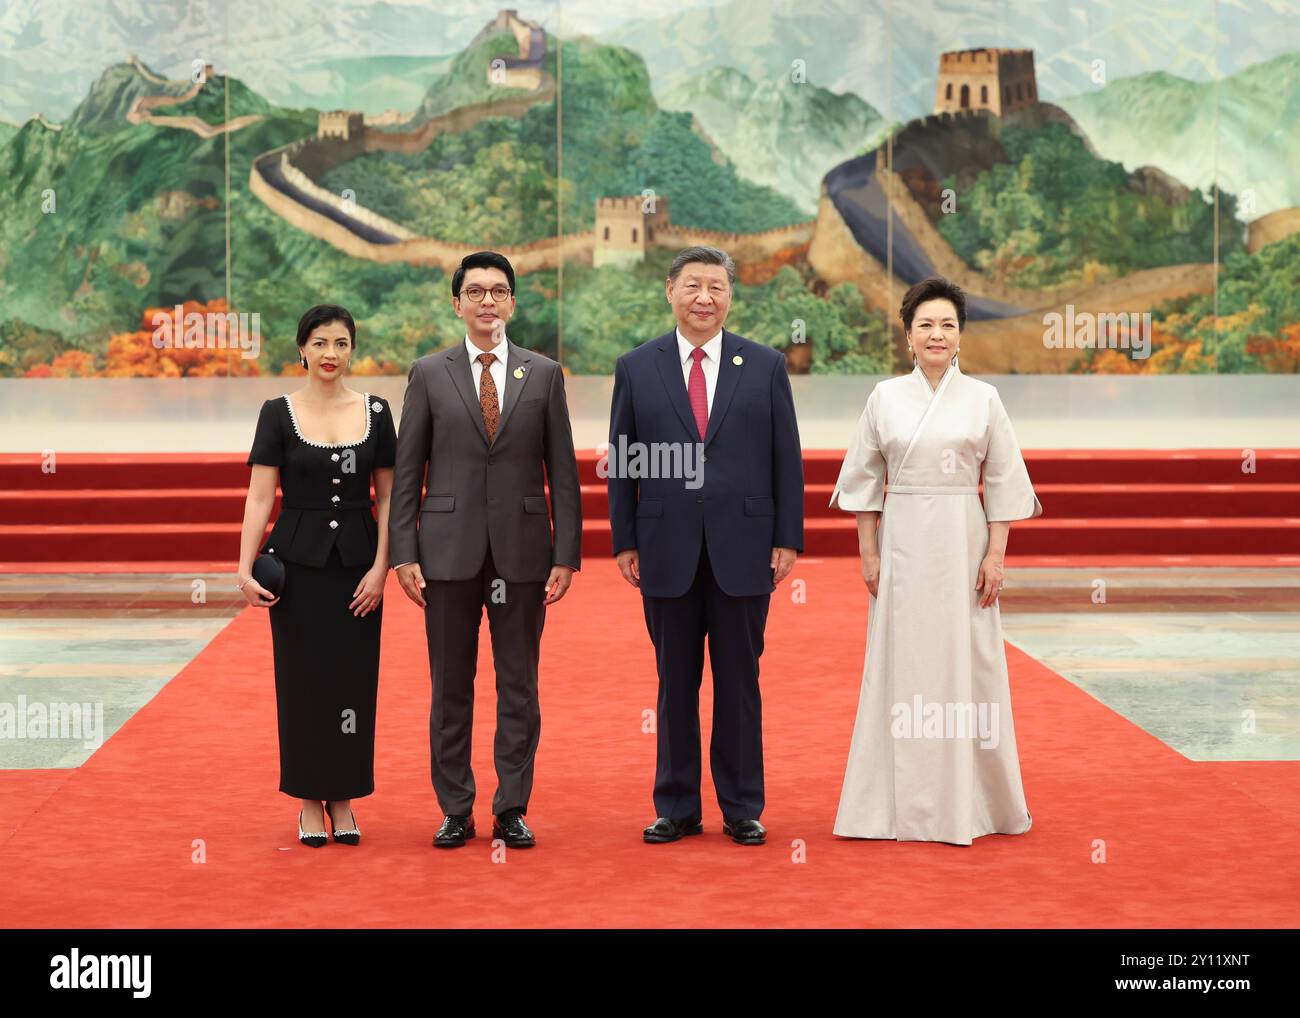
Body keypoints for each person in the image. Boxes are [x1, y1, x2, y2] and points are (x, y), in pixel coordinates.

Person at [830, 276, 1042, 845]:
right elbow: (864, 481)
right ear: (907, 335)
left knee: (968, 664)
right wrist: (868, 552)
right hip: (902, 541)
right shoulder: (885, 397)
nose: (937, 334)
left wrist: (995, 556)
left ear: (960, 336)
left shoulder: (983, 399)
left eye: (947, 324)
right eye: (925, 324)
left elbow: (1001, 481)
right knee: (900, 659)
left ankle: (976, 806)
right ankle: (887, 808)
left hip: (963, 541)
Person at [607, 245, 804, 846]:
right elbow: (622, 460)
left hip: (744, 549)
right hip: (665, 548)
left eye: (716, 287)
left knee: (740, 682)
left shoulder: (765, 365)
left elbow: (785, 460)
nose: (704, 298)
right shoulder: (637, 366)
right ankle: (676, 805)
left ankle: (742, 804)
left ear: (730, 296)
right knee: (675, 682)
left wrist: (786, 538)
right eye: (692, 285)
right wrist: (625, 539)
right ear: (669, 290)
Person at [389, 251, 581, 850]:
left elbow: (563, 472)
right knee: (450, 684)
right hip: (446, 552)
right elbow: (407, 470)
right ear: (457, 303)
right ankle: (454, 807)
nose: (488, 301)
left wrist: (566, 552)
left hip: (524, 552)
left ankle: (512, 806)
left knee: (518, 683)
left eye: (499, 291)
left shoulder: (544, 374)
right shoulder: (428, 372)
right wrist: (402, 551)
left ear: (513, 302)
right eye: (476, 292)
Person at [240, 304, 396, 847]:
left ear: (353, 350)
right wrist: (243, 565)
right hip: (297, 571)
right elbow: (261, 493)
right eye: (321, 343)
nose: (331, 354)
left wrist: (382, 567)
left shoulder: (376, 410)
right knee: (303, 683)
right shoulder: (277, 412)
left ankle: (345, 798)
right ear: (302, 349)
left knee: (353, 681)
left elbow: (389, 495)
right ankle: (309, 800)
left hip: (358, 568)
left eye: (342, 344)